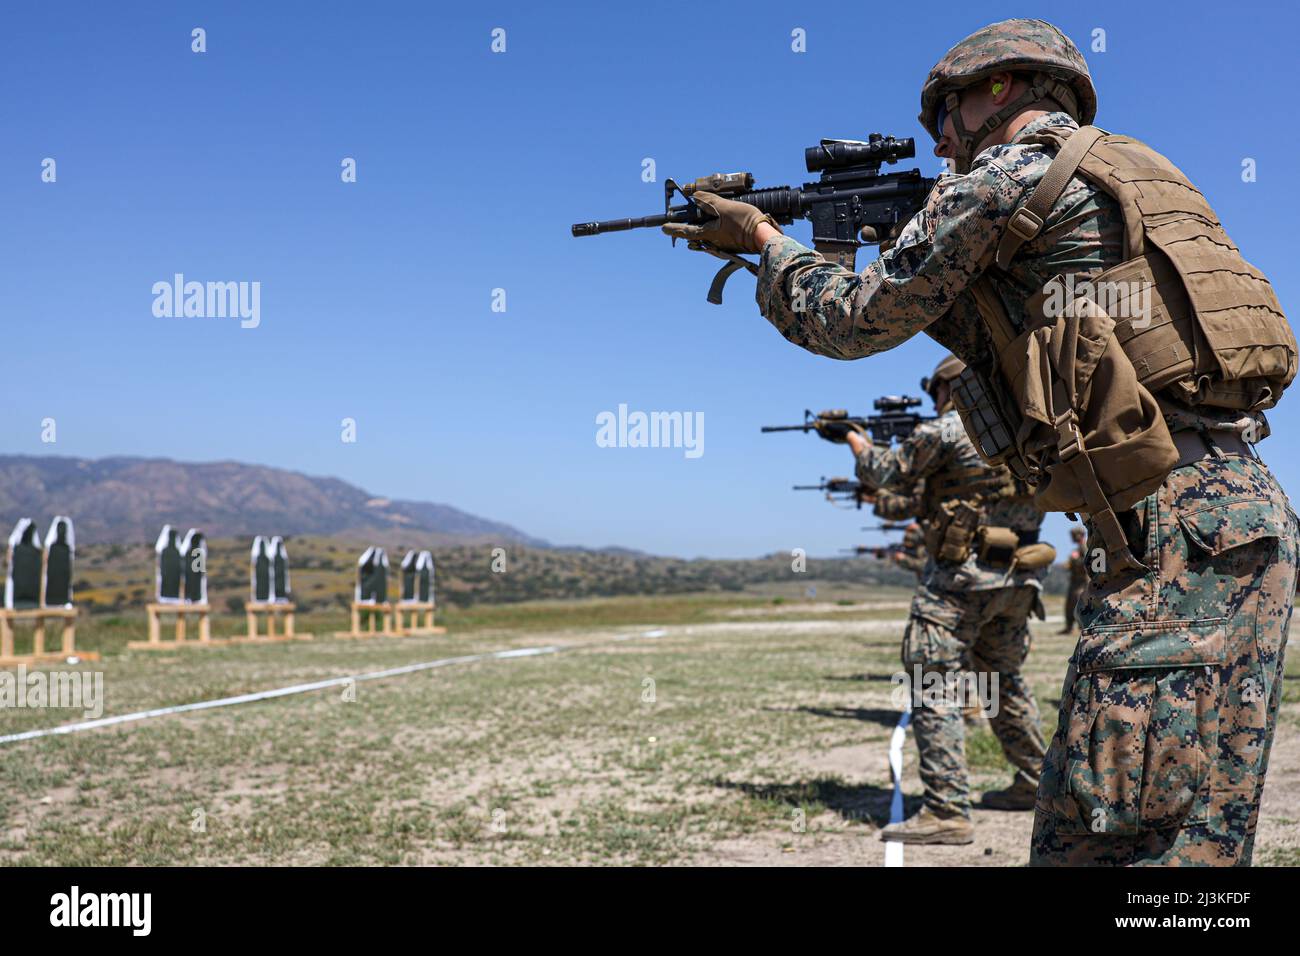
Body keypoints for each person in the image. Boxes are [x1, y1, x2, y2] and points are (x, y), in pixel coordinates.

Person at [664, 17, 1299, 866]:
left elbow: (853, 321)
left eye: (945, 117)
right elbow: (1000, 319)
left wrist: (765, 244)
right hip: (1243, 512)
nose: (940, 144)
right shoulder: (1141, 175)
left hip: (1164, 526)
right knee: (1194, 845)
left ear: (1000, 89)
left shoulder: (1009, 174)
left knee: (1102, 838)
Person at [818, 354, 1051, 843]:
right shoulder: (1030, 429)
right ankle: (1036, 782)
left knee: (932, 685)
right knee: (1002, 683)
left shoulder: (946, 430)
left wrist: (854, 437)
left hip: (958, 584)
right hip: (1017, 579)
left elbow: (884, 473)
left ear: (948, 389)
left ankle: (947, 810)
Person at [1059, 526, 1086, 634]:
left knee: (1079, 604)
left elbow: (1089, 563)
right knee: (1069, 605)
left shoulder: (1084, 547)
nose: (1072, 538)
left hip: (1082, 582)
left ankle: (1081, 627)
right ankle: (1069, 627)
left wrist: (1076, 560)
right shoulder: (1078, 549)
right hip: (1075, 581)